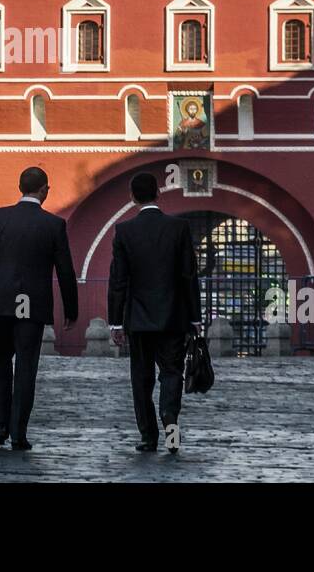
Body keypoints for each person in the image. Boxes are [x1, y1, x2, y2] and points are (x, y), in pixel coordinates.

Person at [0, 167, 79, 451]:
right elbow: (65, 270)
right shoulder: (53, 224)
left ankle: (0, 425)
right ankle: (19, 432)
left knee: (1, 364)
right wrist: (71, 309)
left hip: (1, 303)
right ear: (44, 190)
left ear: (20, 188)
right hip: (32, 305)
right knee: (26, 368)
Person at [108, 172, 202, 454]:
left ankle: (148, 437)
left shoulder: (124, 232)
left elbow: (118, 280)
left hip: (137, 319)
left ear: (132, 197)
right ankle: (170, 425)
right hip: (173, 317)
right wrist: (195, 316)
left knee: (141, 377)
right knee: (172, 373)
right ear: (158, 193)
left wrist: (115, 322)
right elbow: (189, 275)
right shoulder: (179, 228)